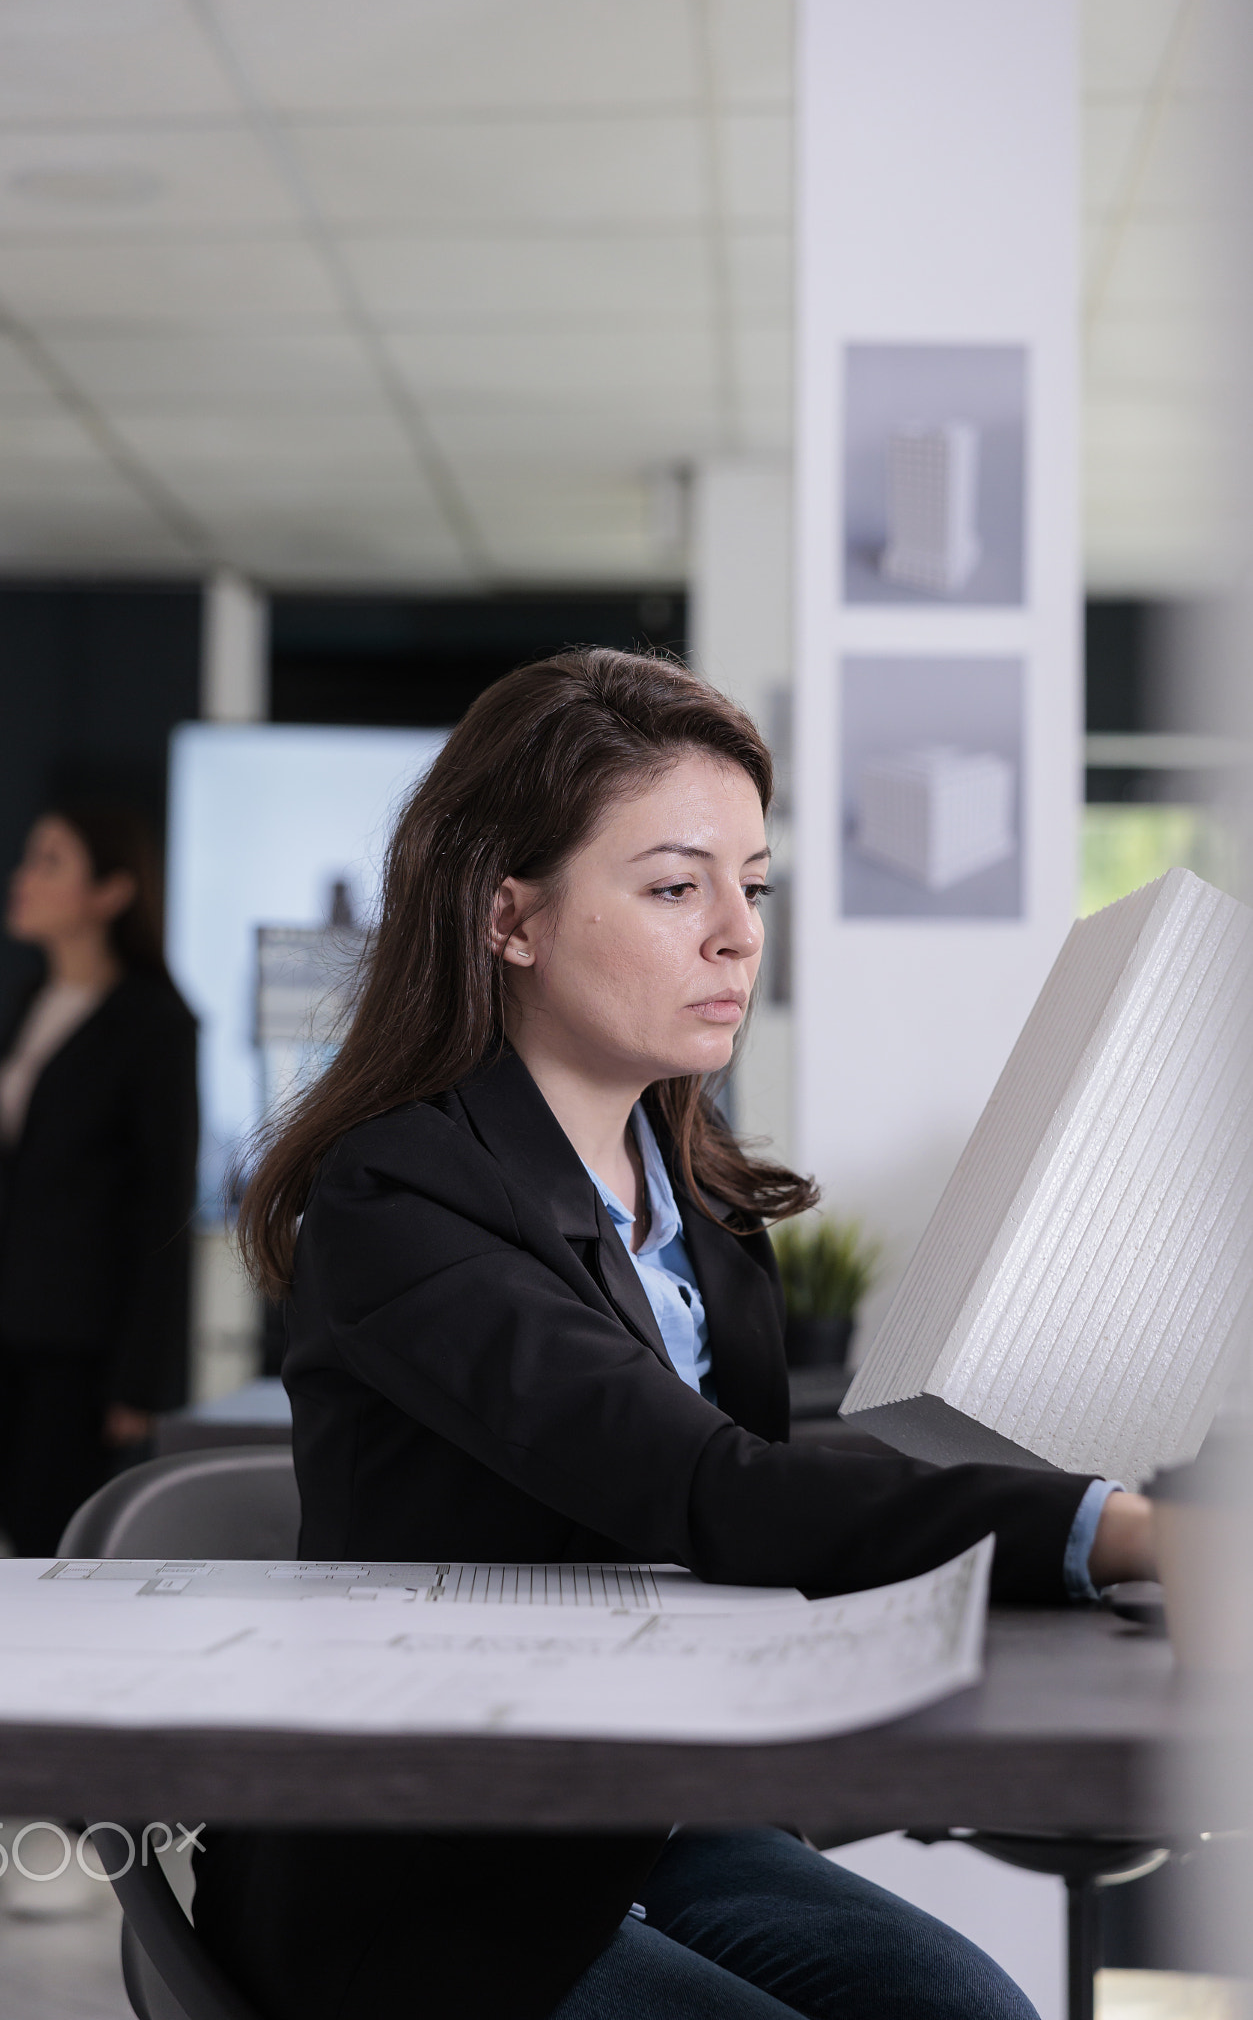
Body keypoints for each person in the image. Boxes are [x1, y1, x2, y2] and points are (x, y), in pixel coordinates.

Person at [197, 650, 1155, 2020]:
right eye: (672, 887)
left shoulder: (701, 1199)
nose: (737, 935)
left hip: (650, 1806)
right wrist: (1123, 1530)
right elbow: (713, 1488)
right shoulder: (396, 1193)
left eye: (751, 886)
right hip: (432, 1861)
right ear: (510, 916)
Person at [0, 805, 198, 1556]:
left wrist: (141, 1380)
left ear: (110, 892)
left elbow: (163, 1204)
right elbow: (30, 1155)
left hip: (88, 1337)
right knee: (15, 1532)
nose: (22, 878)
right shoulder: (33, 1001)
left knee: (56, 1541)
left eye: (49, 862)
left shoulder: (155, 1023)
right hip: (8, 1313)